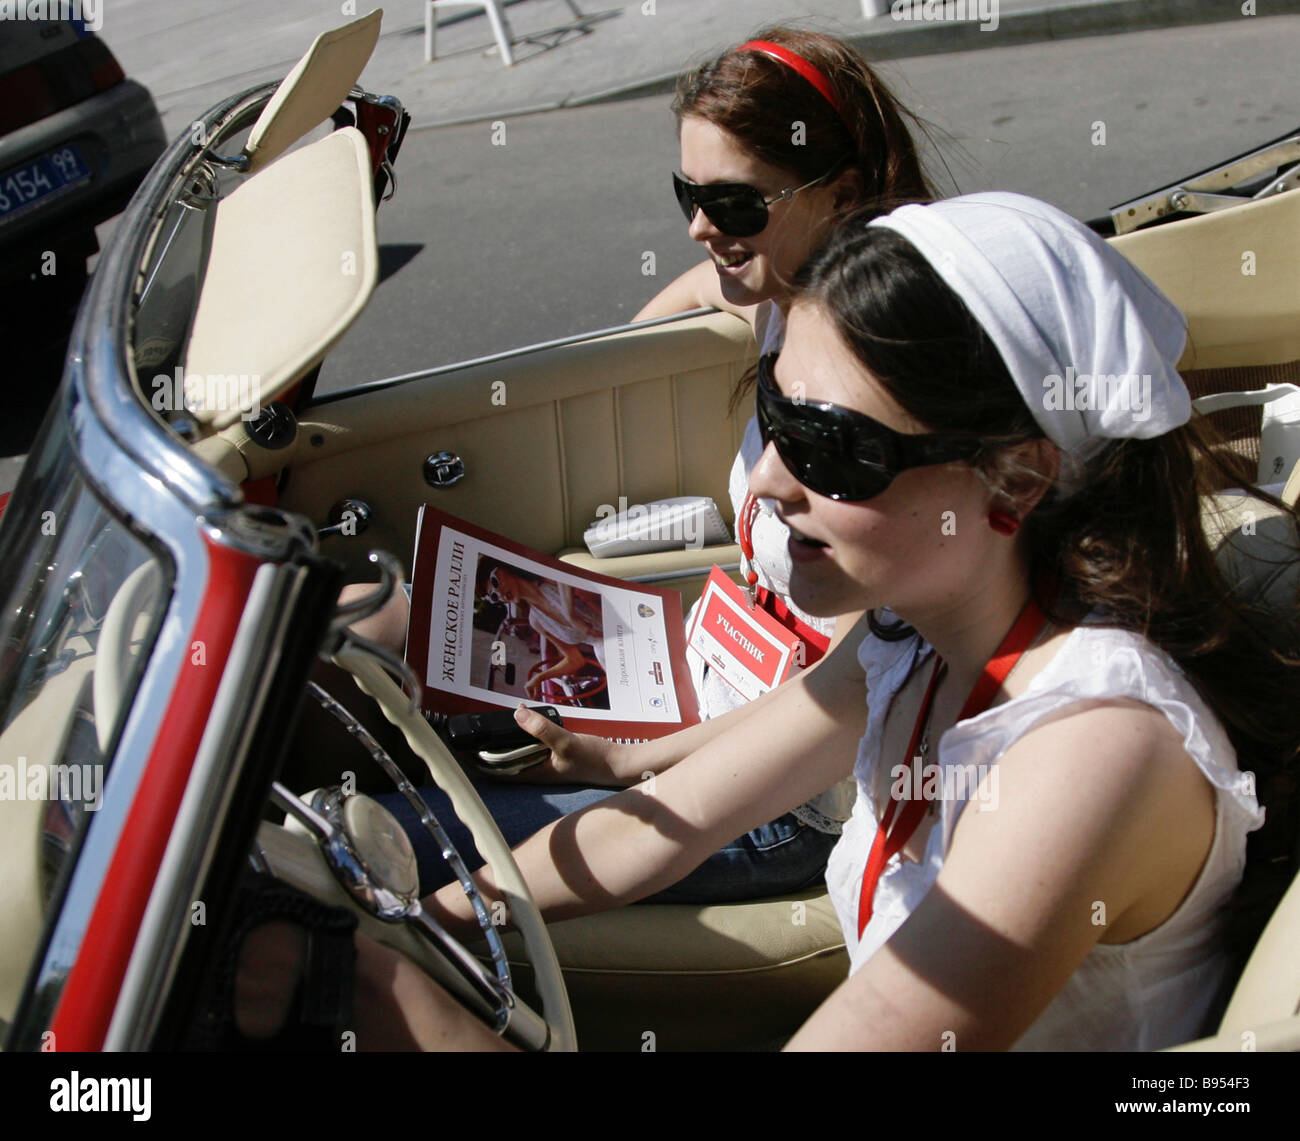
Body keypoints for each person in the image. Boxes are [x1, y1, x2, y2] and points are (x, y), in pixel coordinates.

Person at [331, 192, 1299, 1051]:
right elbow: (657, 828)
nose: (765, 479)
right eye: (776, 414)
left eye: (831, 445)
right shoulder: (910, 636)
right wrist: (422, 918)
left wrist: (399, 997)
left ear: (1015, 475)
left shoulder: (1090, 752)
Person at [358, 27, 938, 902]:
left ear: (842, 194)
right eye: (687, 194)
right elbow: (710, 284)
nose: (704, 226)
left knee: (381, 838)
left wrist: (632, 761)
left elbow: (837, 695)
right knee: (374, 627)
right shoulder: (787, 298)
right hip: (690, 673)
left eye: (737, 205)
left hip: (776, 787)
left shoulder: (887, 392)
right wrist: (615, 360)